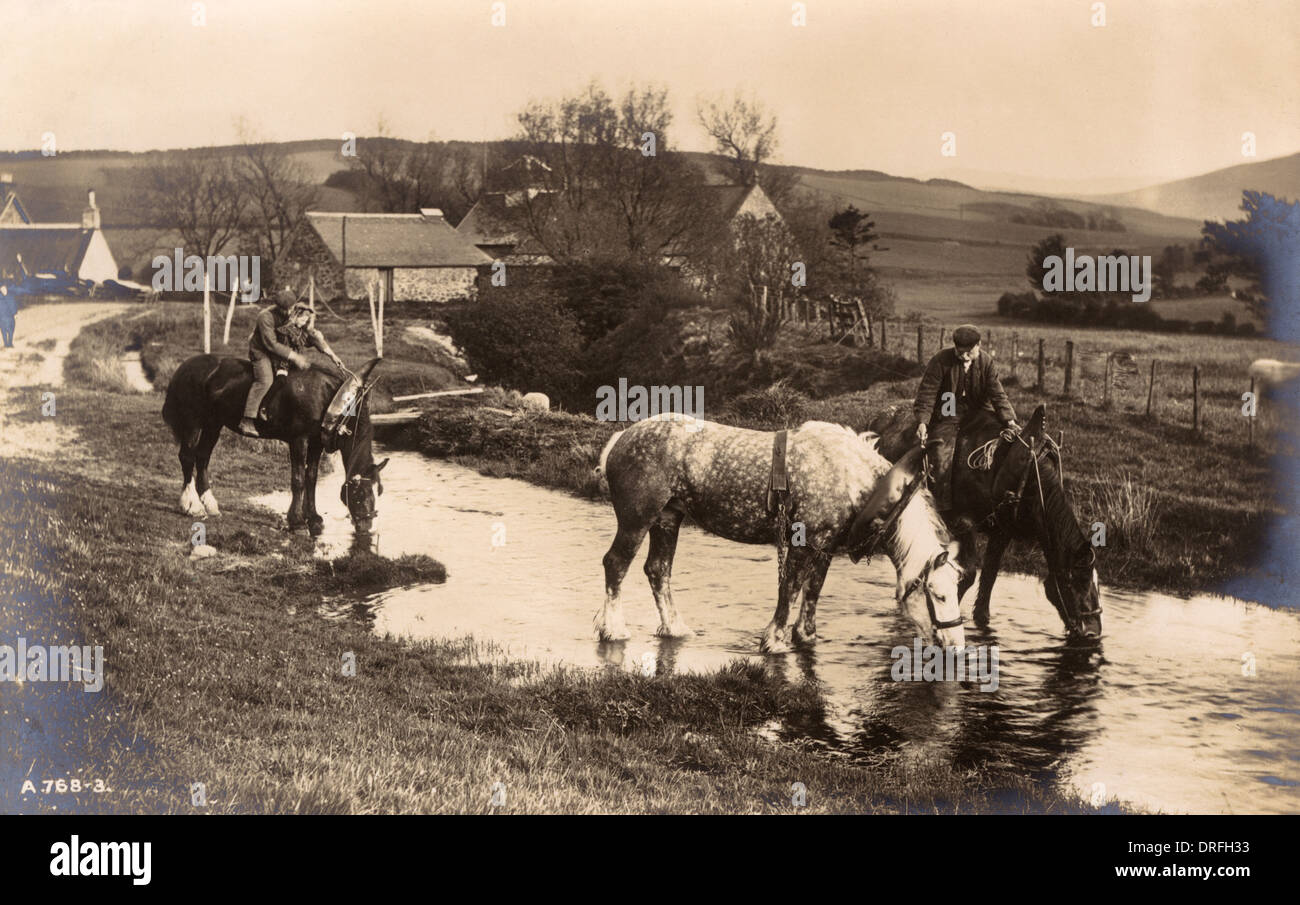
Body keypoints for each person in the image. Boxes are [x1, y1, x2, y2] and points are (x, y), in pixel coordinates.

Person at [912, 323, 1019, 513]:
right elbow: (927, 392)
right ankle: (941, 505)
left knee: (997, 445)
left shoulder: (986, 362)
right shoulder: (941, 360)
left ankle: (988, 500)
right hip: (949, 407)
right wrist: (923, 421)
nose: (963, 356)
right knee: (941, 451)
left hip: (979, 411)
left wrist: (1009, 420)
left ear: (979, 345)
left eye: (968, 352)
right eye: (959, 352)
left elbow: (997, 394)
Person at [239, 288, 344, 436]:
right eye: (286, 309)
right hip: (262, 351)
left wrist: (332, 356)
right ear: (279, 307)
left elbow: (309, 336)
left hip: (282, 355)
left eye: (291, 308)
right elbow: (271, 344)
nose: (289, 312)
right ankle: (248, 419)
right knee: (265, 380)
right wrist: (294, 356)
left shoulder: (294, 313)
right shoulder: (265, 317)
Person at [0, 270, 17, 348]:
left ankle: (10, 342)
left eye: (5, 289)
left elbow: (13, 305)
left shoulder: (10, 296)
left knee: (11, 330)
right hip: (2, 318)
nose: (4, 290)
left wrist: (15, 313)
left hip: (10, 317)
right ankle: (6, 343)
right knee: (3, 331)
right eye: (2, 289)